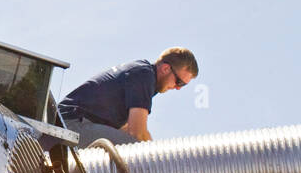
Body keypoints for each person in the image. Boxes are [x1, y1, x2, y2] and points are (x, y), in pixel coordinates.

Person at [58, 47, 198, 145]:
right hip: (71, 125)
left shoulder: (142, 74)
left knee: (139, 148)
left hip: (75, 124)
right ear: (166, 68)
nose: (178, 88)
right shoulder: (144, 74)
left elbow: (128, 129)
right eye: (179, 82)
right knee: (136, 150)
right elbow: (137, 132)